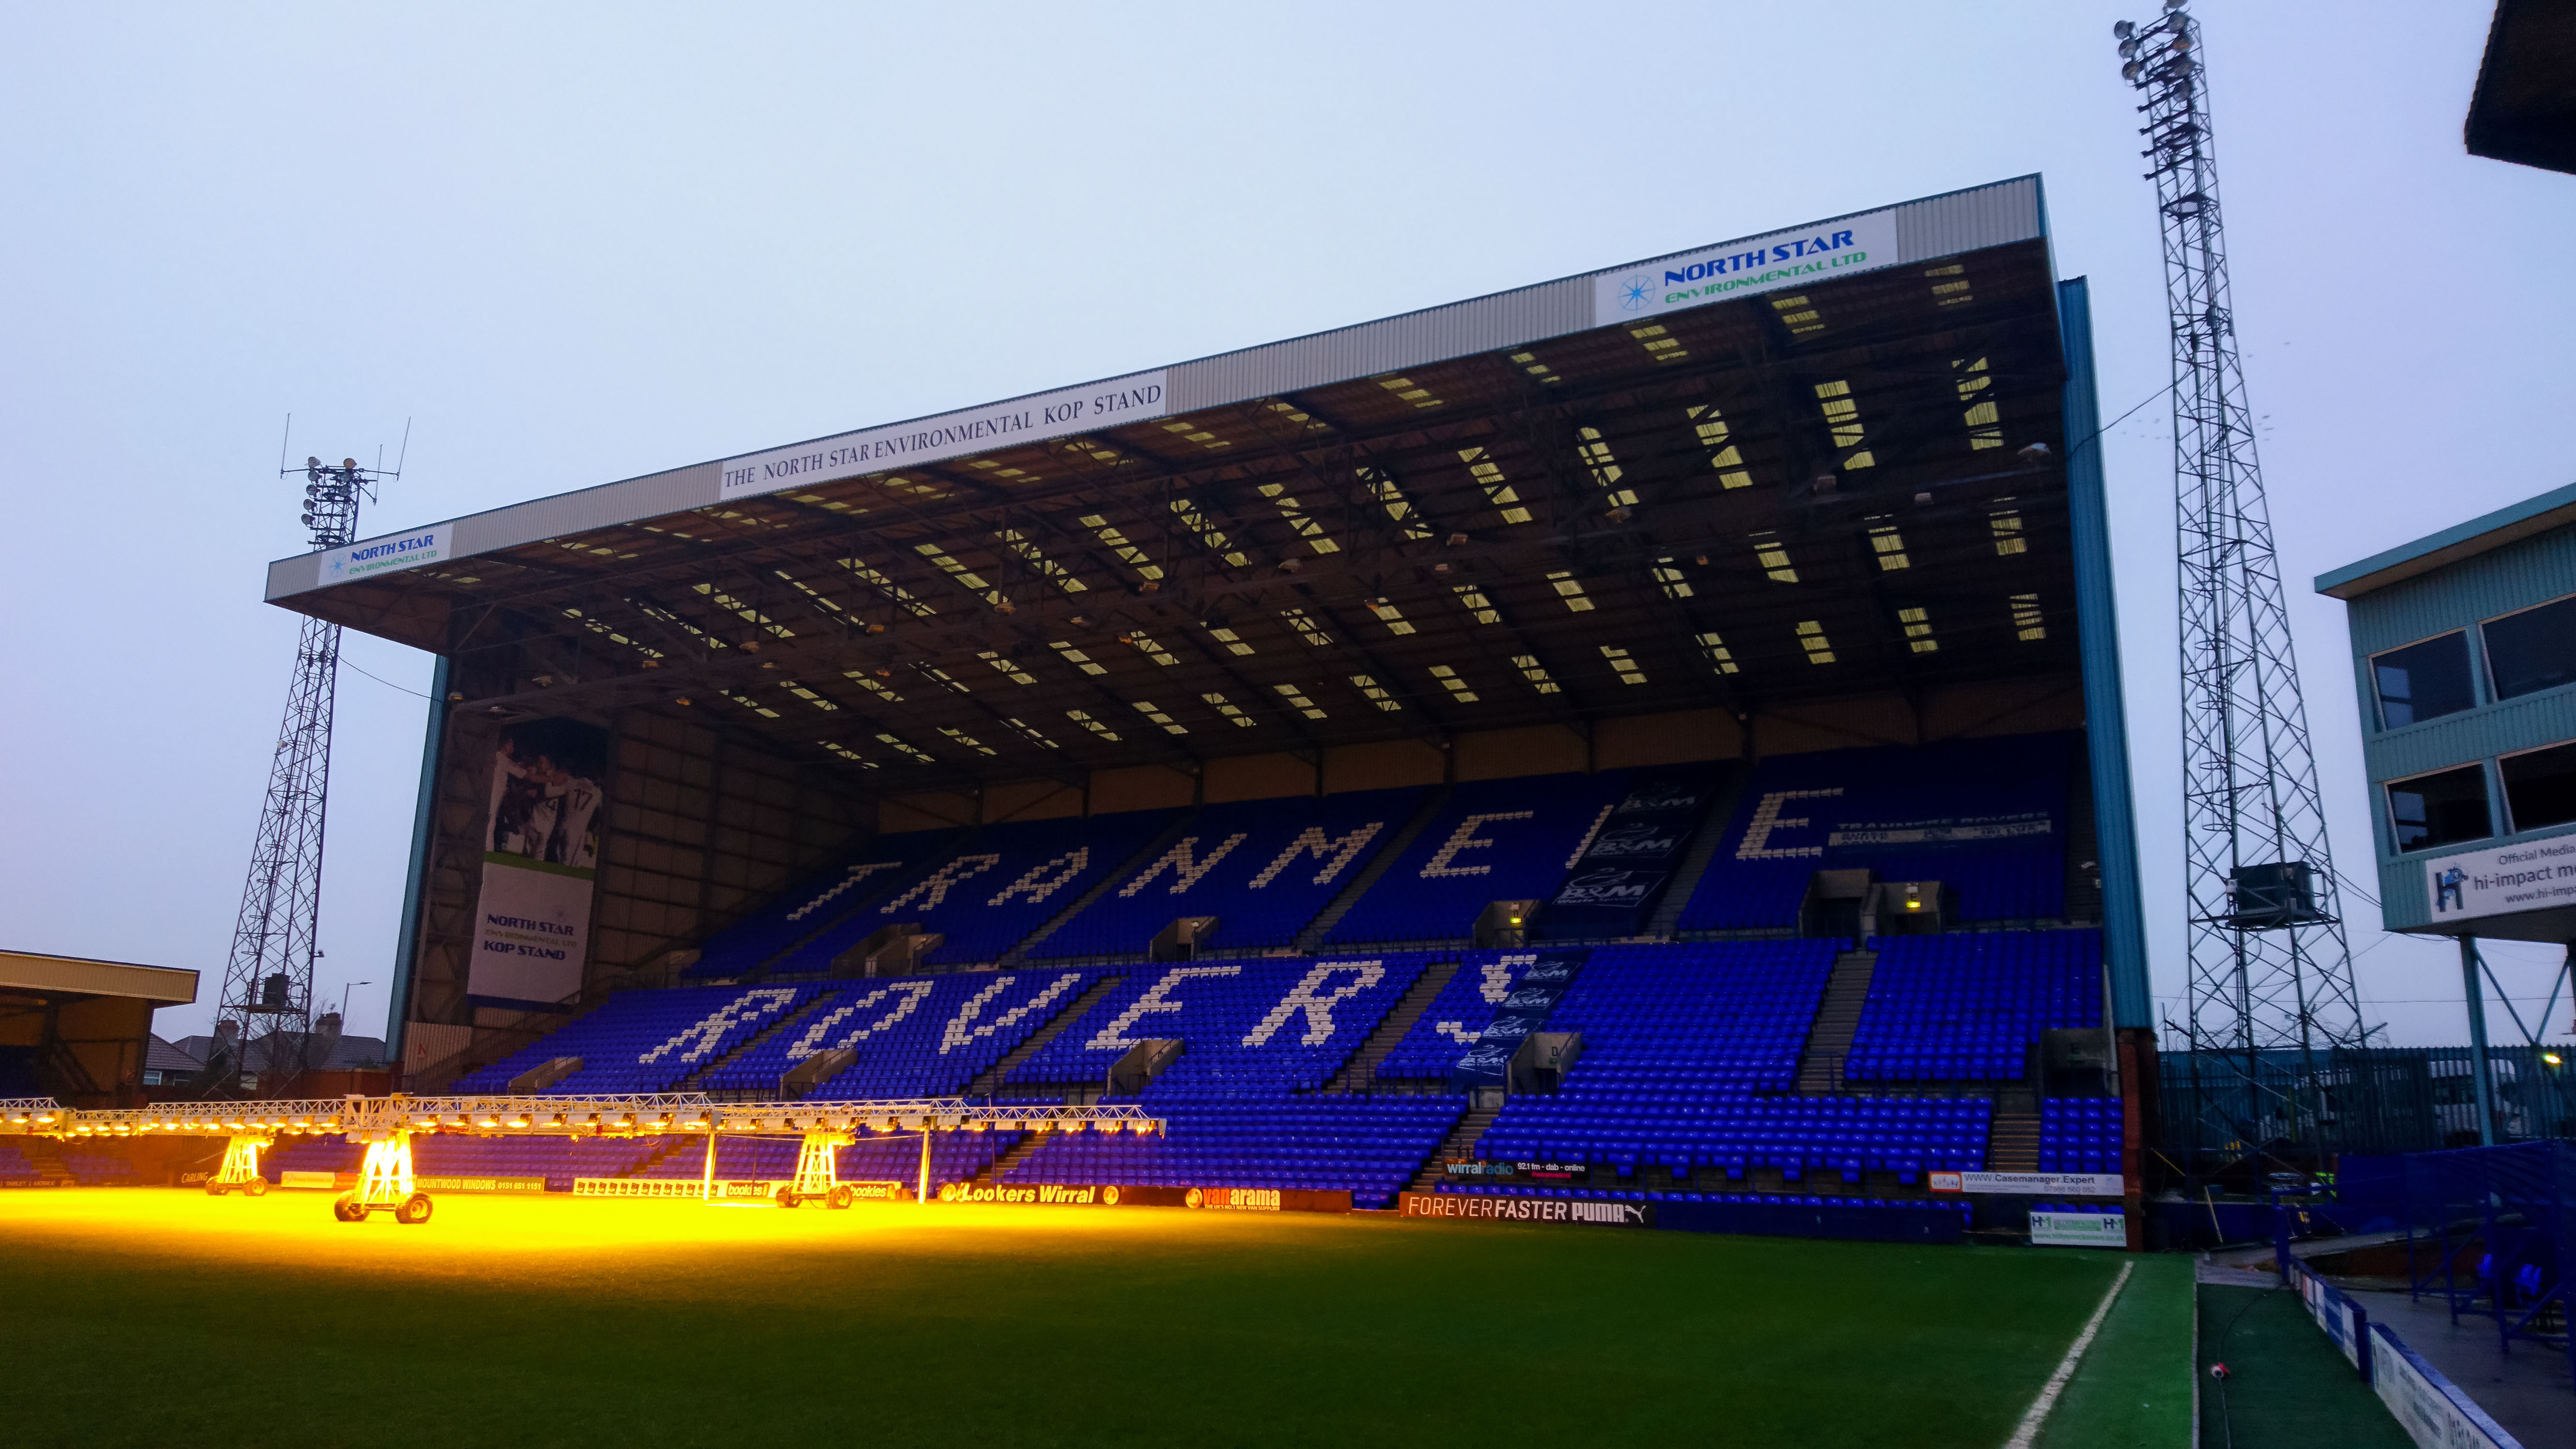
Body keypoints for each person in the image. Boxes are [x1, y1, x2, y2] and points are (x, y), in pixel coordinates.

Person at [484, 737, 529, 851]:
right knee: (489, 831)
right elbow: (527, 776)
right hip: (492, 805)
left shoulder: (493, 757)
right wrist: (551, 779)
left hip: (491, 803)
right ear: (505, 745)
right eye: (511, 745)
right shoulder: (503, 760)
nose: (513, 748)